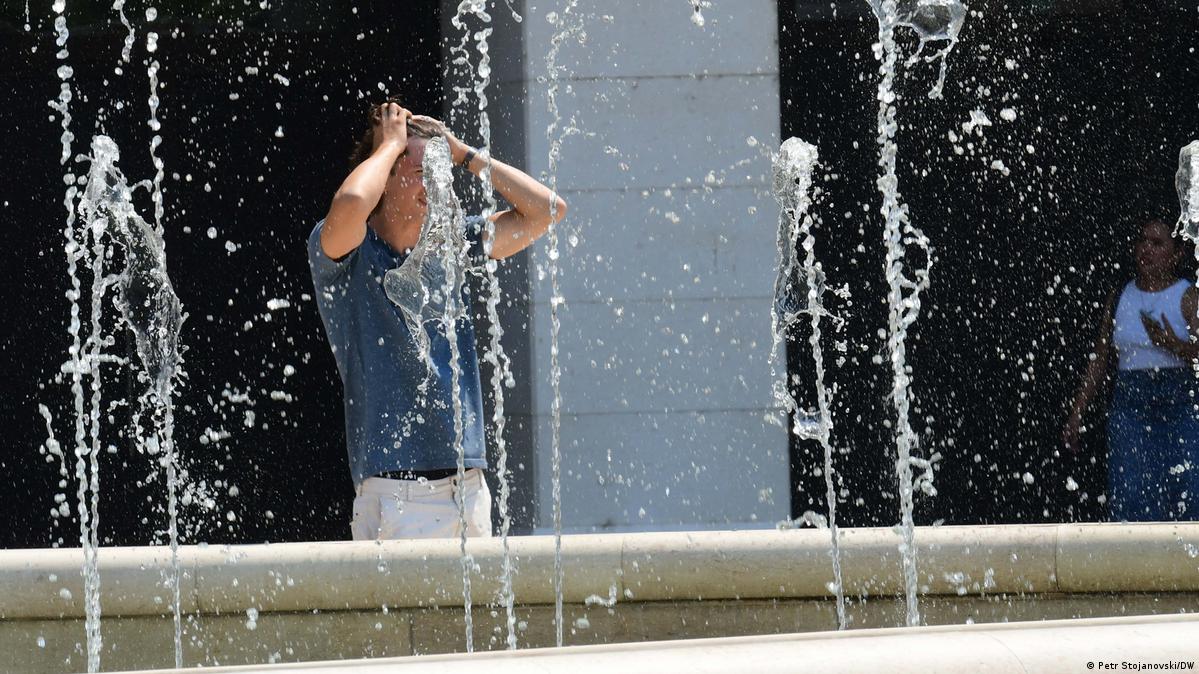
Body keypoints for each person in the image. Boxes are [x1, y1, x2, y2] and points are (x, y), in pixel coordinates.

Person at [307, 100, 567, 539]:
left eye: (436, 169)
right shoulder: (348, 252)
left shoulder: (451, 242)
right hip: (394, 489)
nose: (432, 180)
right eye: (415, 168)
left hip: (468, 485)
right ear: (384, 176)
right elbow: (352, 200)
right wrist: (389, 145)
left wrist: (464, 154)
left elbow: (548, 211)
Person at [1063, 218, 1199, 521]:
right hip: (1131, 407)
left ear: (1176, 254)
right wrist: (1077, 412)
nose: (1146, 249)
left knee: (1189, 489)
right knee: (1131, 493)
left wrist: (1173, 344)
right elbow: (1099, 359)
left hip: (1180, 406)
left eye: (1157, 243)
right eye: (1142, 241)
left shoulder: (1188, 296)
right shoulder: (1121, 296)